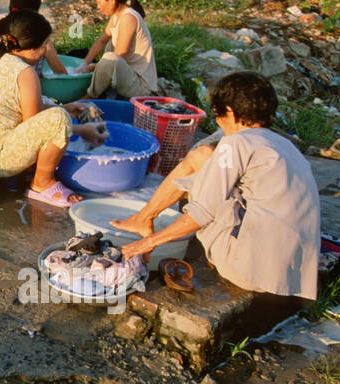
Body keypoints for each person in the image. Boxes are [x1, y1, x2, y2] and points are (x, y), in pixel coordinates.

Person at [113, 71, 320, 300]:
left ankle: (145, 220)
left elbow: (202, 212)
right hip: (292, 273)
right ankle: (144, 217)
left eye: (218, 114)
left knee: (201, 160)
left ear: (229, 112)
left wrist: (145, 244)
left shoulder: (235, 143)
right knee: (205, 158)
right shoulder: (286, 145)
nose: (218, 121)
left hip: (247, 271)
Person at [0, 11, 107, 208]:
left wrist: (65, 107)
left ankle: (40, 175)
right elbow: (34, 123)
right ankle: (42, 183)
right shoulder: (25, 73)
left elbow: (20, 106)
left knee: (57, 111)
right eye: (45, 45)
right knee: (58, 119)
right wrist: (80, 129)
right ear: (33, 47)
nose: (45, 51)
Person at [78, 0, 157, 99]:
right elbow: (101, 41)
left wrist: (93, 67)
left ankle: (87, 97)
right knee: (106, 53)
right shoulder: (117, 16)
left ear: (111, 0)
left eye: (99, 2)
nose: (98, 7)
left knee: (109, 58)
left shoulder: (128, 18)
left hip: (140, 86)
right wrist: (84, 63)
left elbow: (119, 55)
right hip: (128, 76)